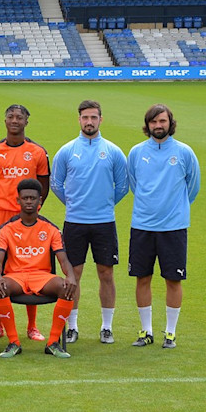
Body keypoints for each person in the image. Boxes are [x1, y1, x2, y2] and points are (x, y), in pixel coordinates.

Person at [50, 100, 129, 344]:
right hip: (74, 222)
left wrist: (103, 205)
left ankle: (107, 326)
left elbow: (123, 186)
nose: (89, 122)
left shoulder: (113, 151)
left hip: (104, 222)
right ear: (79, 119)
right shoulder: (67, 151)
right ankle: (72, 326)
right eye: (85, 117)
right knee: (74, 274)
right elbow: (56, 184)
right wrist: (75, 204)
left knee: (106, 273)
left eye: (94, 117)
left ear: (101, 120)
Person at [127, 104, 200, 349]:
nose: (158, 126)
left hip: (173, 227)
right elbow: (135, 185)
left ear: (170, 123)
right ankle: (146, 331)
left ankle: (170, 332)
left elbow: (193, 186)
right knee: (142, 278)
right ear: (147, 125)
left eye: (162, 121)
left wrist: (174, 207)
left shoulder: (184, 152)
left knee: (173, 280)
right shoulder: (136, 152)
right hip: (142, 226)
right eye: (153, 122)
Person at [0, 104, 51, 342]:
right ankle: (0, 324)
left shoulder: (37, 152)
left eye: (19, 117)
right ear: (5, 120)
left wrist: (29, 209)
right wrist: (4, 204)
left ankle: (32, 326)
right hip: (1, 215)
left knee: (31, 267)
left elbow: (43, 185)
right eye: (10, 116)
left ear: (26, 122)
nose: (14, 120)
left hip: (27, 217)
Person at [0, 179, 77, 359]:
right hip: (16, 277)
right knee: (0, 289)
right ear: (18, 200)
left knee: (66, 288)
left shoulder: (50, 229)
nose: (29, 201)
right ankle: (14, 342)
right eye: (25, 198)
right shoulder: (6, 229)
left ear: (40, 201)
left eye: (33, 198)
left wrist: (70, 276)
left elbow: (63, 258)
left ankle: (53, 342)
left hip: (42, 276)